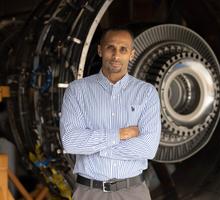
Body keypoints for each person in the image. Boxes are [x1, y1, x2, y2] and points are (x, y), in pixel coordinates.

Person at [60, 27, 161, 200]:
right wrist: (120, 134)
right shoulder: (77, 90)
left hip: (133, 192)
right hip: (89, 192)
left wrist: (94, 146)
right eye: (110, 48)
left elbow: (148, 148)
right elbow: (70, 142)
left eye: (123, 49)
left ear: (131, 54)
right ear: (100, 50)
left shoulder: (147, 93)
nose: (116, 55)